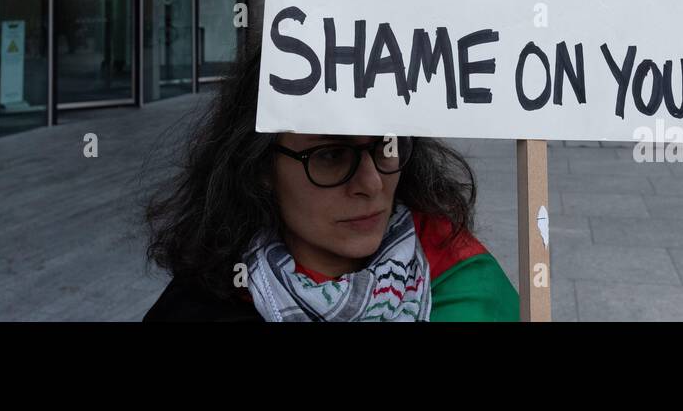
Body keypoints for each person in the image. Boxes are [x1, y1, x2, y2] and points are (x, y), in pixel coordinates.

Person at [143, 47, 519, 322]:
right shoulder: (197, 306)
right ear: (260, 167)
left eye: (386, 146)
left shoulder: (468, 285)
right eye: (330, 155)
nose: (371, 184)